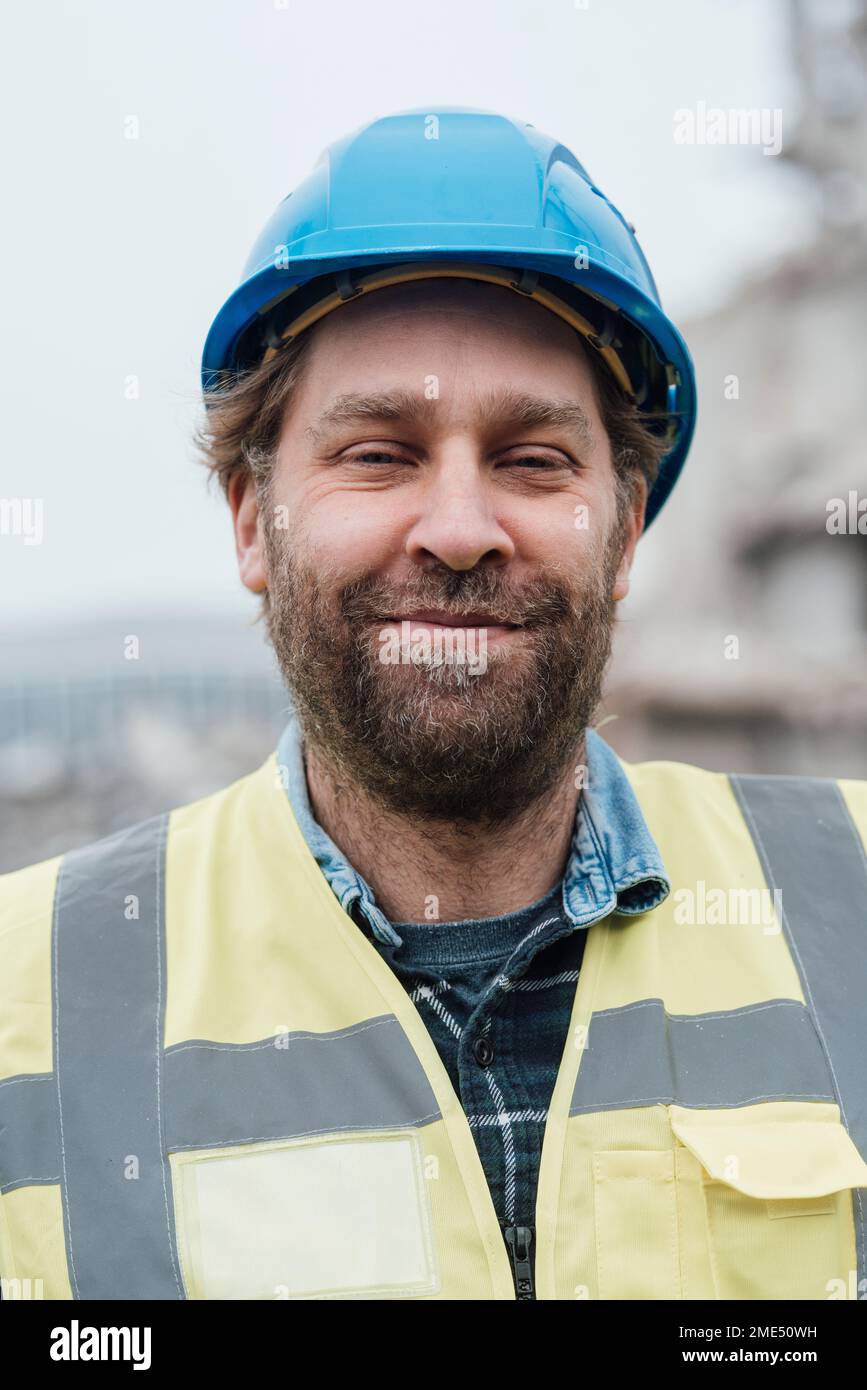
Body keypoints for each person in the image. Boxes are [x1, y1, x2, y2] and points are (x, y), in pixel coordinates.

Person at [1, 107, 866, 1303]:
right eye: (378, 454)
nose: (459, 531)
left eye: (533, 459)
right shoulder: (22, 992)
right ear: (255, 522)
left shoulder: (852, 890)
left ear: (622, 533)